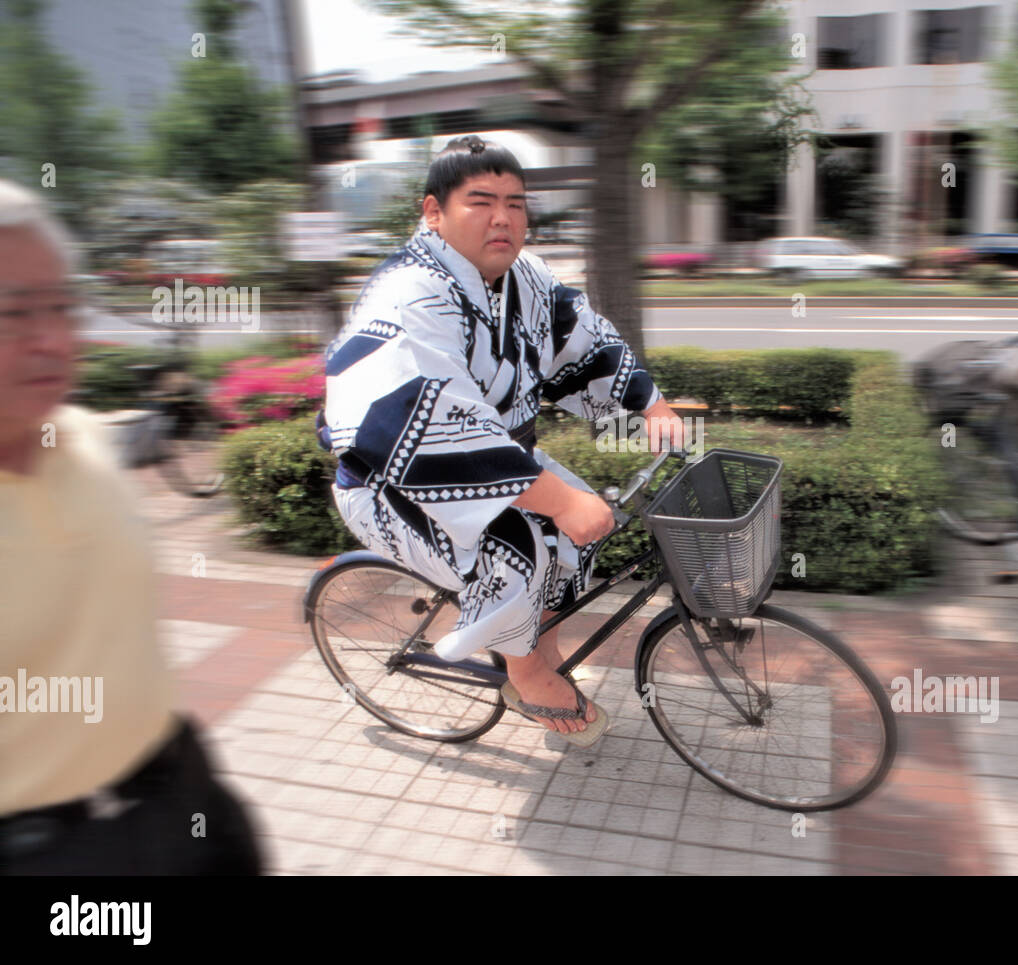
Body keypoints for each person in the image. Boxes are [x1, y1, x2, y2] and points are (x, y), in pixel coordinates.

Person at [323, 135, 685, 744]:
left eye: (516, 203)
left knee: (586, 528)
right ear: (432, 212)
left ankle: (538, 646)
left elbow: (586, 340)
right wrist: (560, 502)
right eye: (482, 200)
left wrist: (649, 402)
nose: (503, 218)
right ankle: (524, 672)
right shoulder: (407, 296)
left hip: (505, 465)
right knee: (517, 547)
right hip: (396, 485)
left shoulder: (530, 279)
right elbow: (428, 423)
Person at [0, 178, 262, 874]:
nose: (52, 338)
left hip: (181, 795)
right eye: (14, 312)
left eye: (61, 304)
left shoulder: (87, 438)